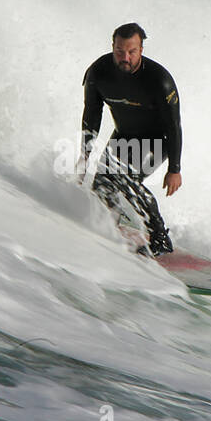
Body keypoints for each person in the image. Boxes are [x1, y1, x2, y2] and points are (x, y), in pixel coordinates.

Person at [77, 22, 182, 255]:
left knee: (126, 180)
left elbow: (174, 127)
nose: (125, 57)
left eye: (132, 52)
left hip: (158, 140)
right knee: (102, 187)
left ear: (141, 50)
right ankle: (110, 227)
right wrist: (85, 154)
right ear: (112, 46)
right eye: (119, 51)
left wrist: (174, 168)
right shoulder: (98, 73)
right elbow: (92, 115)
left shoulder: (159, 80)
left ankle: (160, 239)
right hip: (123, 135)